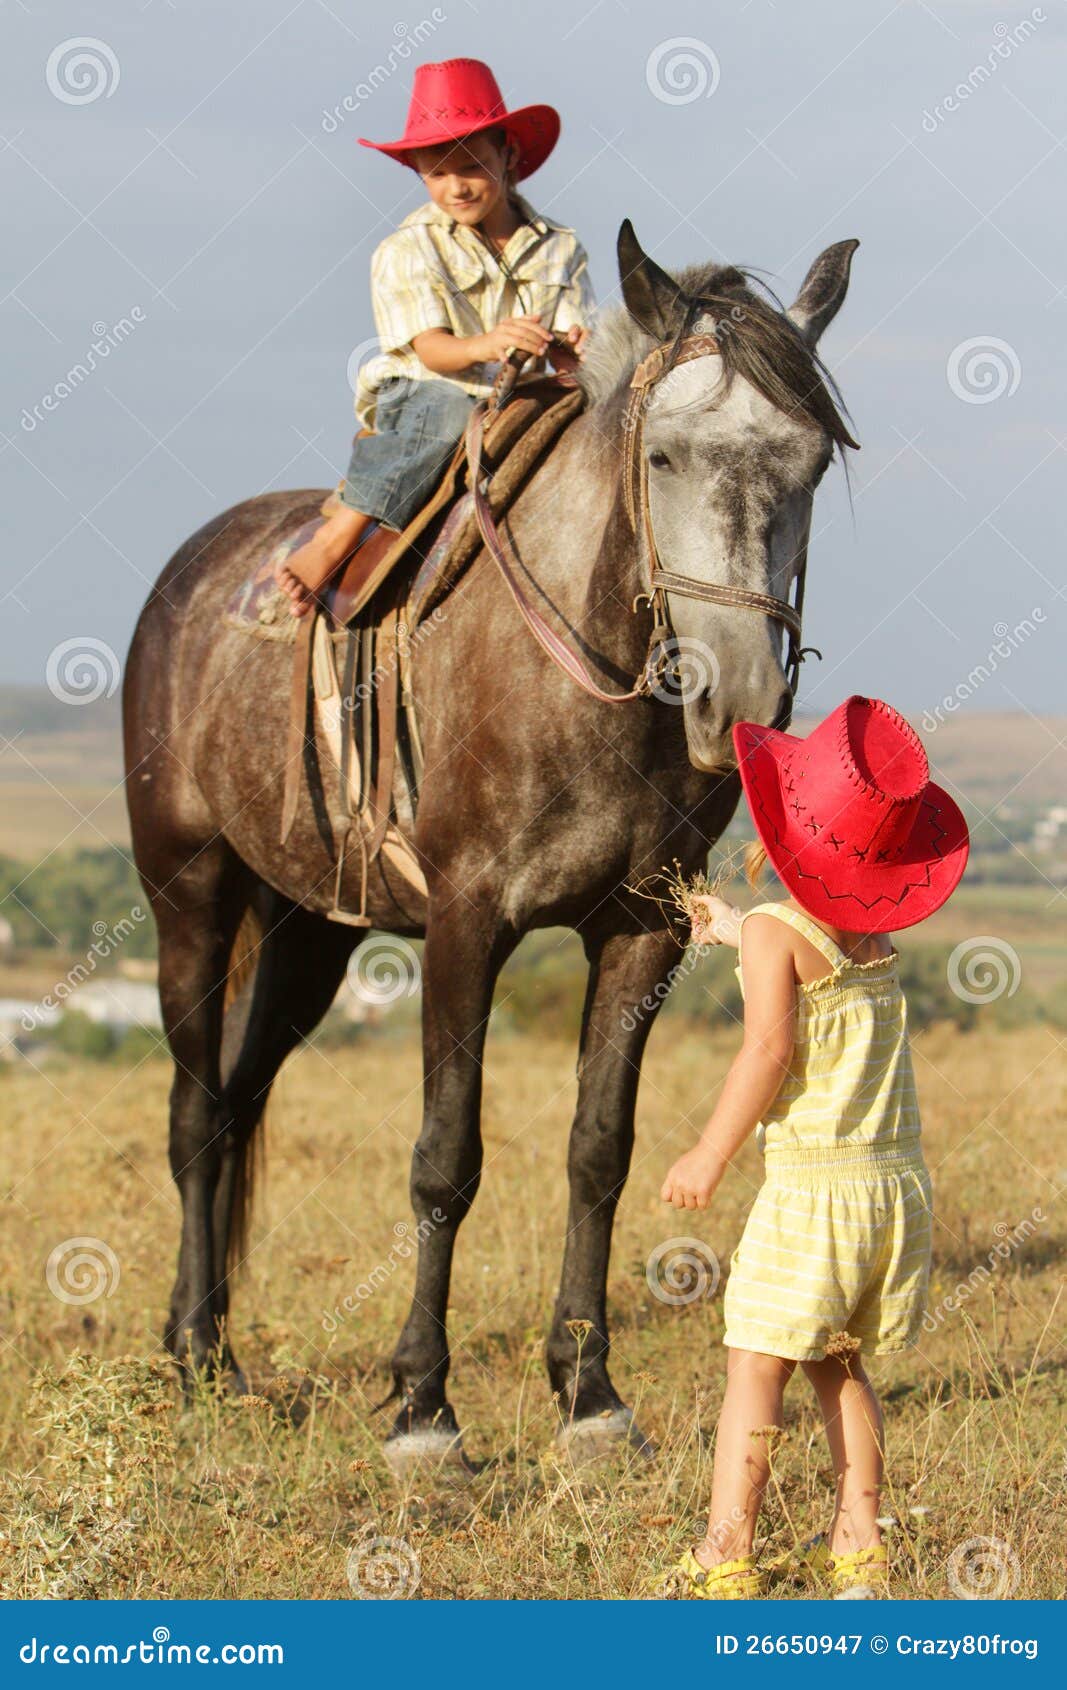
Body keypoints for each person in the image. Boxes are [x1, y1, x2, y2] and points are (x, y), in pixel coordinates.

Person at [659, 696, 970, 1599]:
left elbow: (768, 1047)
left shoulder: (772, 932)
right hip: (887, 1193)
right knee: (838, 1365)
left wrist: (707, 1155)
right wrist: (732, 931)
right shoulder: (871, 938)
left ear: (777, 829)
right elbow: (804, 962)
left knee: (754, 1368)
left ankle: (727, 1554)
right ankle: (860, 1545)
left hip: (809, 1200)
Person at [275, 58, 596, 617]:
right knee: (445, 410)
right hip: (428, 390)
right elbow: (431, 350)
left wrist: (574, 351)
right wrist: (489, 344)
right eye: (437, 173)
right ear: (419, 173)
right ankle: (336, 539)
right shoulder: (408, 249)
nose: (456, 186)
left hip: (522, 398)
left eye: (472, 166)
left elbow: (572, 357)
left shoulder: (560, 248)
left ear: (508, 155)